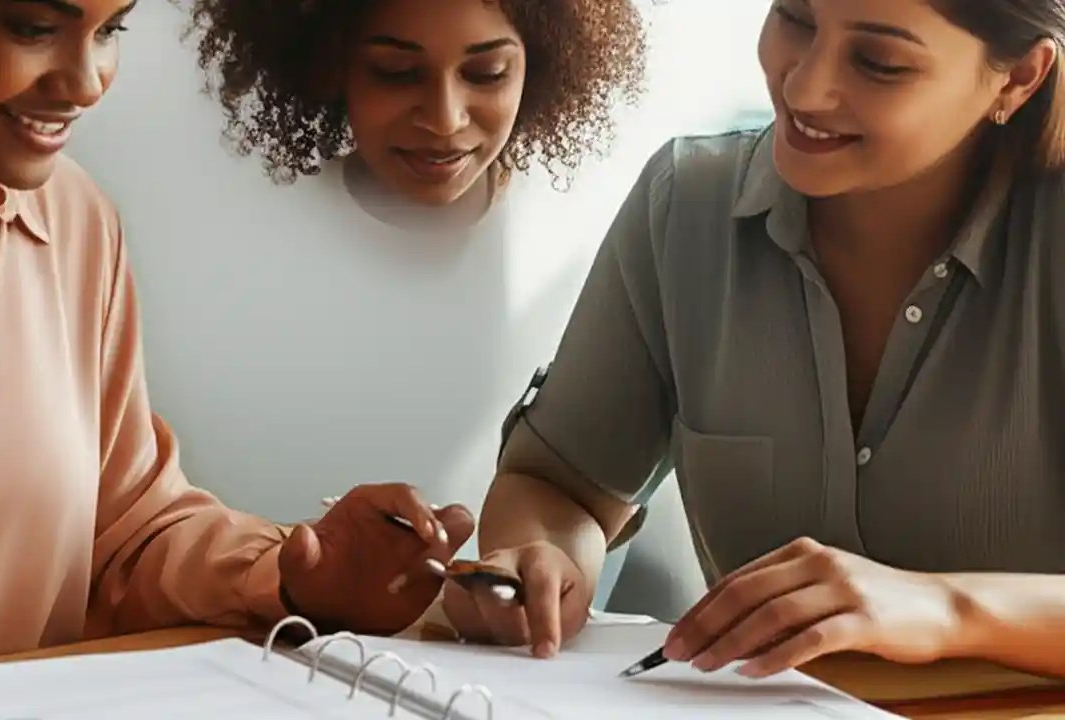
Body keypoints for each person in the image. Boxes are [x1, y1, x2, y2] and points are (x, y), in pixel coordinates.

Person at [0, 0, 474, 716]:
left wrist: (297, 577)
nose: (87, 82)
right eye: (34, 27)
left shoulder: (77, 223)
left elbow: (126, 532)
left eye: (111, 30)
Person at [444, 0, 1065, 682]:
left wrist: (945, 608)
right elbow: (560, 485)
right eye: (795, 18)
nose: (802, 87)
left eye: (878, 62)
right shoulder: (687, 204)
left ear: (1019, 79)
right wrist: (540, 562)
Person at [188, 0, 645, 216]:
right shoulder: (256, 245)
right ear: (330, 63)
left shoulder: (580, 234)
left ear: (543, 64)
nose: (446, 119)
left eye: (487, 72)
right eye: (396, 71)